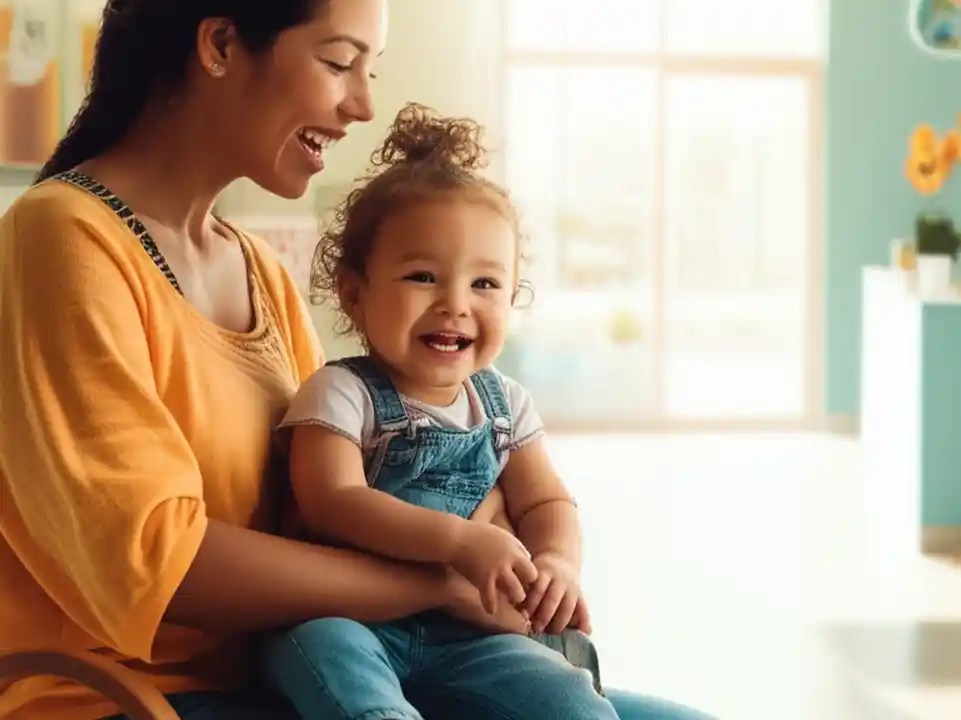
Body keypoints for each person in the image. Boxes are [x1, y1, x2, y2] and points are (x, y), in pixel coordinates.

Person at [0, 2, 711, 719]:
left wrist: (500, 547)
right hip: (135, 697)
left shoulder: (259, 271)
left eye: (369, 71)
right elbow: (161, 564)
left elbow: (334, 500)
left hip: (311, 668)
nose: (364, 105)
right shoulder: (63, 239)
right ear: (219, 44)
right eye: (339, 63)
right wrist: (441, 577)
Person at [261, 102, 612, 719]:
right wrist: (460, 541)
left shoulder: (506, 405)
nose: (455, 304)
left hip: (469, 638)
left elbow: (546, 501)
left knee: (571, 702)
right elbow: (330, 498)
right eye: (423, 276)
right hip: (353, 620)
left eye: (484, 285)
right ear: (355, 292)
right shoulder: (340, 392)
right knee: (329, 655)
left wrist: (557, 559)